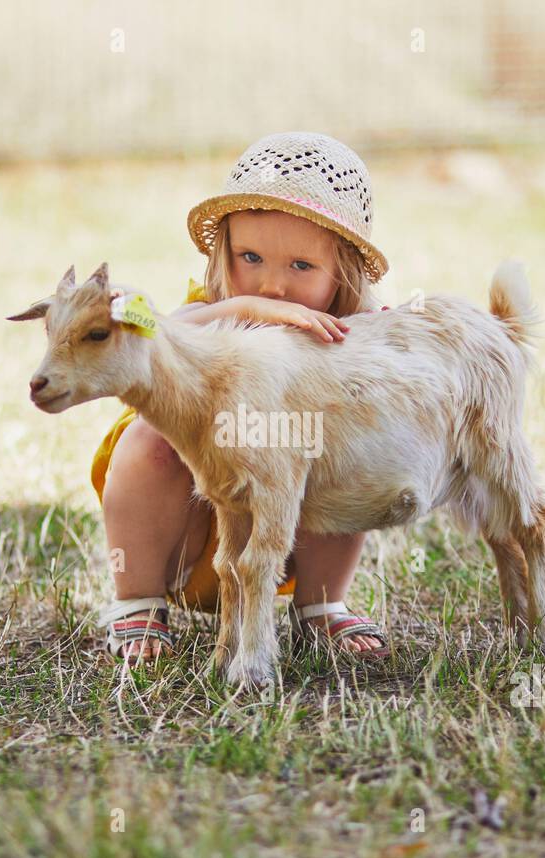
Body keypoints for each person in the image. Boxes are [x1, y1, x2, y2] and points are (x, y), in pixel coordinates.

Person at [89, 130, 395, 665]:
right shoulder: (213, 310)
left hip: (280, 533)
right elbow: (161, 331)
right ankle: (138, 602)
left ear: (342, 273)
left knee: (343, 450)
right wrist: (247, 313)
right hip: (184, 532)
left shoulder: (343, 330)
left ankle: (321, 603)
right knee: (152, 441)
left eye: (301, 267)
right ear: (222, 252)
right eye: (250, 257)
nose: (270, 286)